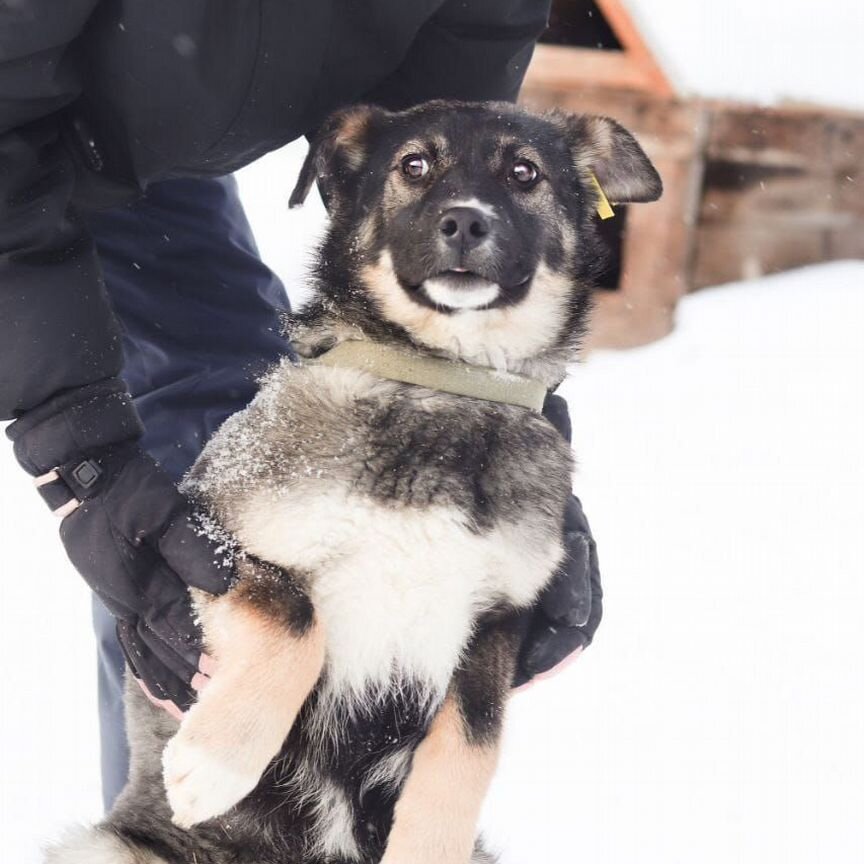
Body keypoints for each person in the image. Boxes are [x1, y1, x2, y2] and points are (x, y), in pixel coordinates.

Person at [0, 0, 602, 810]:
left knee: (234, 483)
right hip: (19, 133)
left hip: (132, 148)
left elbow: (438, 177)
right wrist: (88, 465)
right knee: (149, 531)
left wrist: (509, 436)